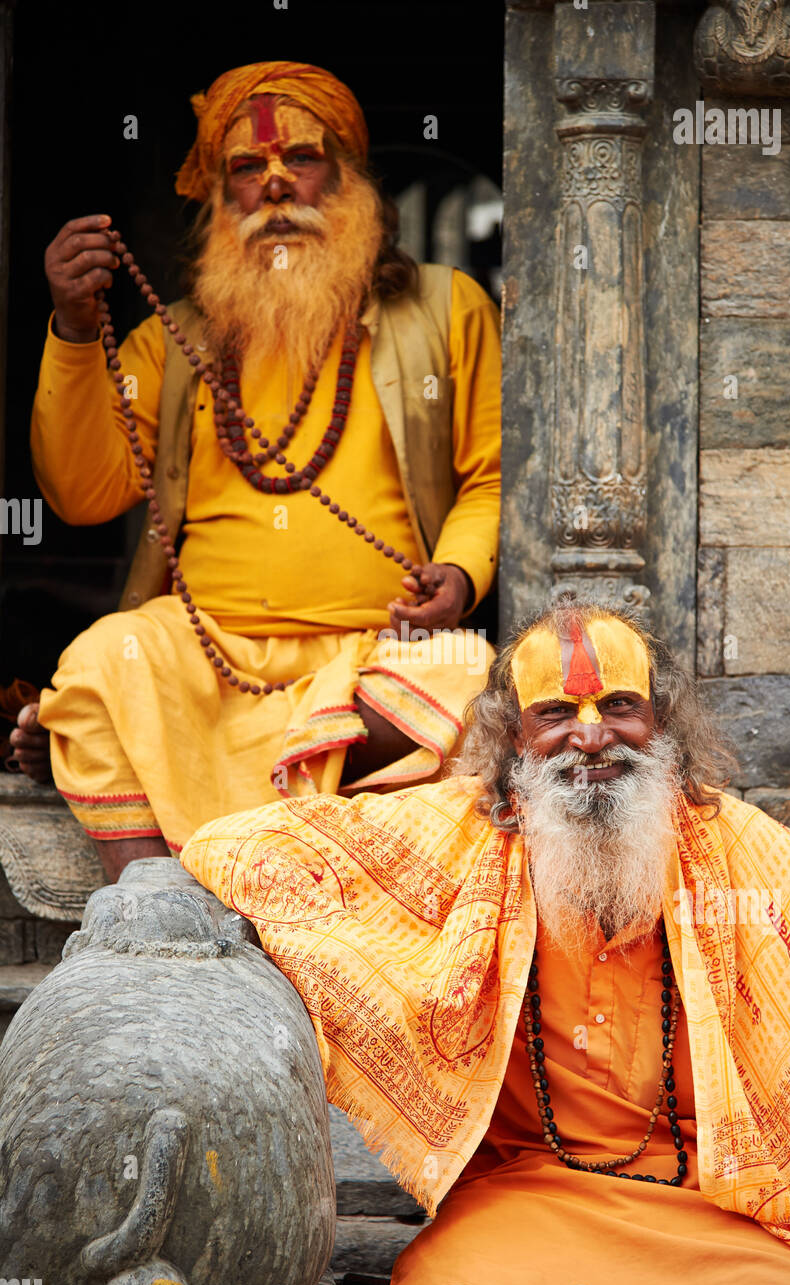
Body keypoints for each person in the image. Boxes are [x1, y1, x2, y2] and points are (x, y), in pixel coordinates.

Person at [181, 600, 790, 1285]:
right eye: (555, 713)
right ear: (513, 738)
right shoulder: (461, 838)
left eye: (620, 705)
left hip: (714, 1209)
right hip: (522, 1199)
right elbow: (232, 846)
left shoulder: (740, 854)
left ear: (662, 725)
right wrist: (382, 971)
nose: (592, 736)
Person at [17, 60, 499, 879]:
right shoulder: (173, 341)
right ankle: (149, 909)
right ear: (219, 198)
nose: (275, 185)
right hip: (206, 655)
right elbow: (81, 494)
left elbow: (491, 477)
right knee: (104, 662)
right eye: (246, 169)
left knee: (467, 677)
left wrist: (457, 573)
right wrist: (71, 327)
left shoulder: (446, 309)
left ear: (349, 182)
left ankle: (220, 818)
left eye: (301, 160)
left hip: (372, 655)